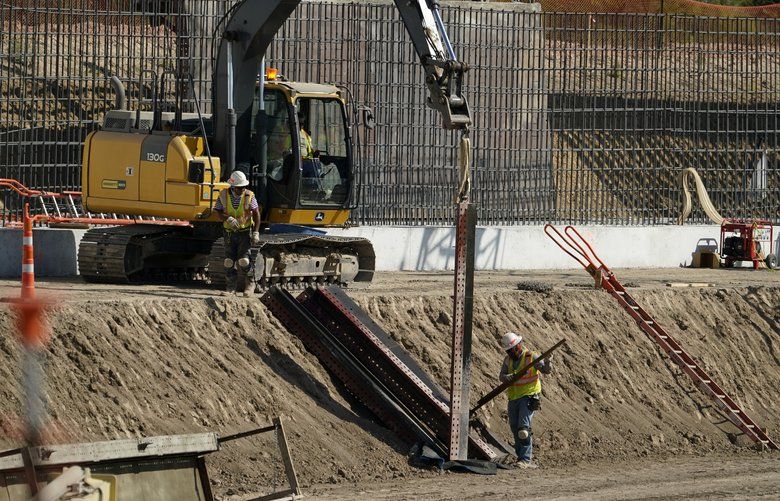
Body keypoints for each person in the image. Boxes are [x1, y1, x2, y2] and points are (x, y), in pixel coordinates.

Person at [498, 331, 552, 468]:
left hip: (529, 395)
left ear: (519, 345)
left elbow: (545, 370)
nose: (512, 353)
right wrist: (507, 377)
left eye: (513, 350)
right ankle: (520, 457)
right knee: (515, 428)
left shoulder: (531, 357)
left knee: (523, 429)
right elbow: (502, 376)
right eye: (509, 351)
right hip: (514, 397)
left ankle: (525, 460)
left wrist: (548, 361)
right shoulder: (508, 360)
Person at [214, 170, 261, 296]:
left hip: (244, 232)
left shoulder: (249, 196)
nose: (242, 189)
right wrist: (227, 218)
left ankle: (250, 283)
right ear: (233, 187)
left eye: (243, 187)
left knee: (244, 260)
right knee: (229, 261)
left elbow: (256, 214)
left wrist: (256, 232)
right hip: (229, 232)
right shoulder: (223, 195)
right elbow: (217, 211)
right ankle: (231, 288)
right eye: (240, 188)